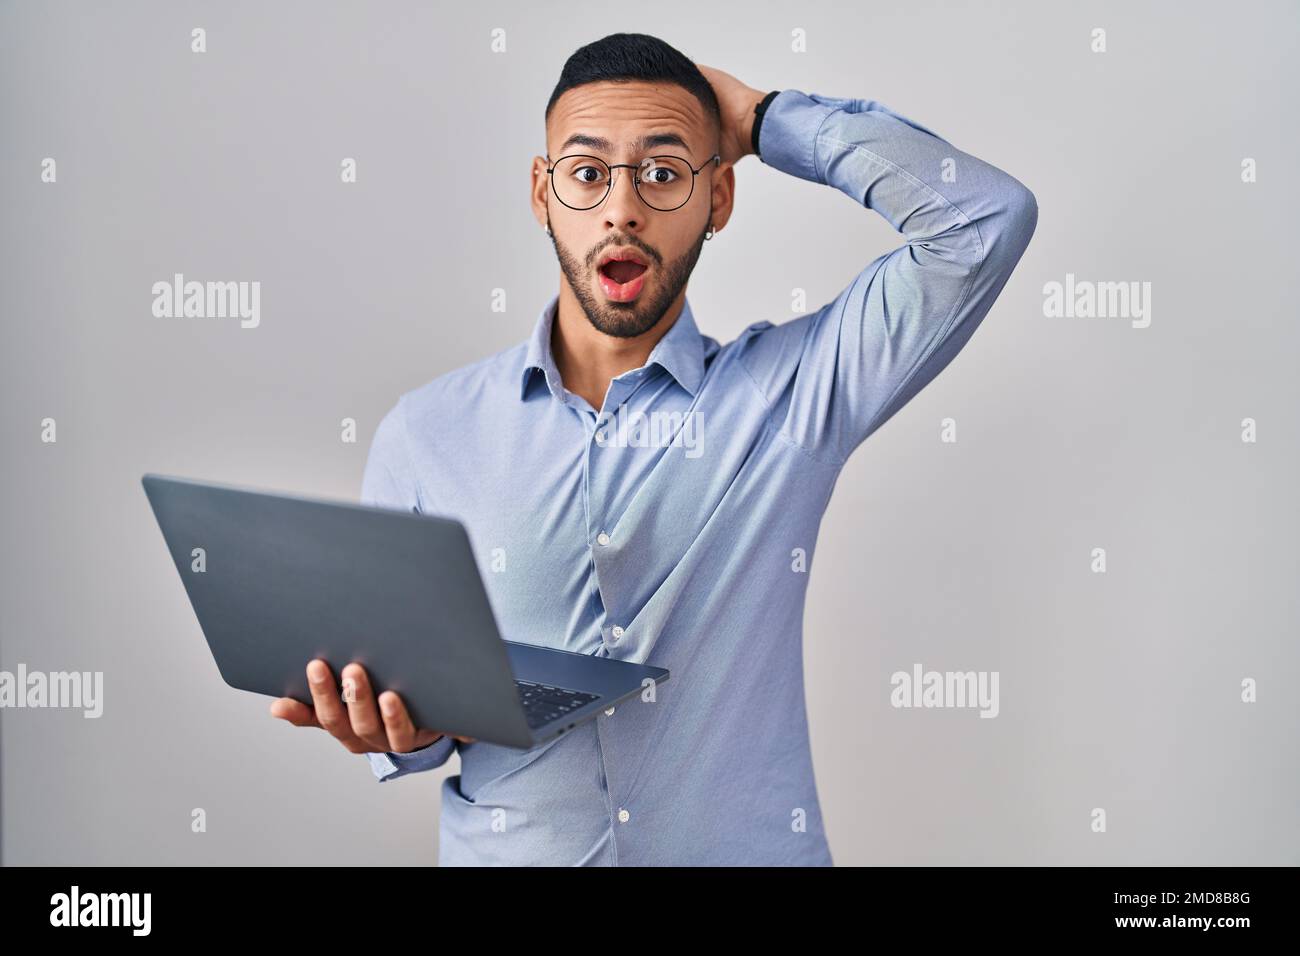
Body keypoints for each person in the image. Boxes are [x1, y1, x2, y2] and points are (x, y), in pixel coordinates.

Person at [270, 32, 1037, 865]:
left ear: (720, 201)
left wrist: (765, 118)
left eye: (665, 173)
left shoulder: (792, 397)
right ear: (542, 191)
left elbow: (983, 222)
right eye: (588, 172)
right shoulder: (425, 432)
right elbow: (412, 724)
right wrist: (397, 729)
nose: (622, 209)